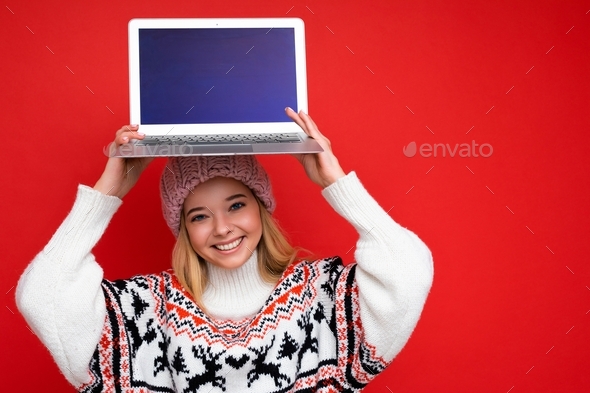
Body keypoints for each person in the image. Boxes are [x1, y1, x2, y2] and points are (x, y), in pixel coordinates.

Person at [16, 108, 434, 392]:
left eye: (236, 205)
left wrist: (335, 181)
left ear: (261, 208)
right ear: (183, 229)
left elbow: (410, 272)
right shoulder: (145, 311)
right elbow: (43, 296)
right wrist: (108, 191)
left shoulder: (320, 298)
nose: (222, 228)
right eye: (199, 216)